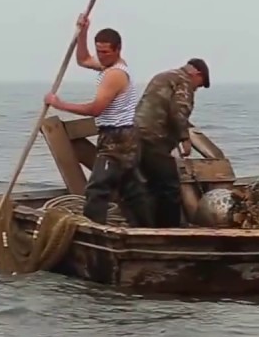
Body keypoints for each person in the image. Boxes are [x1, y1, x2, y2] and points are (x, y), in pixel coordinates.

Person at [45, 14, 152, 226]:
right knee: (131, 189)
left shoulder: (115, 75)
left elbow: (95, 109)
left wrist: (60, 104)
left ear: (117, 50)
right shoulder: (108, 66)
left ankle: (93, 234)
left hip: (118, 138)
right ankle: (147, 229)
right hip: (119, 135)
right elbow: (83, 59)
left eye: (105, 52)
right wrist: (83, 30)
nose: (100, 56)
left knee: (97, 188)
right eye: (99, 51)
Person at [133, 59, 211, 227]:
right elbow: (178, 112)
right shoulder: (184, 82)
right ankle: (170, 231)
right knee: (170, 186)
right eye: (199, 85)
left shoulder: (163, 76)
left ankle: (148, 227)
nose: (196, 89)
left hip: (134, 135)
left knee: (151, 185)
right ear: (197, 74)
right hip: (153, 138)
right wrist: (185, 138)